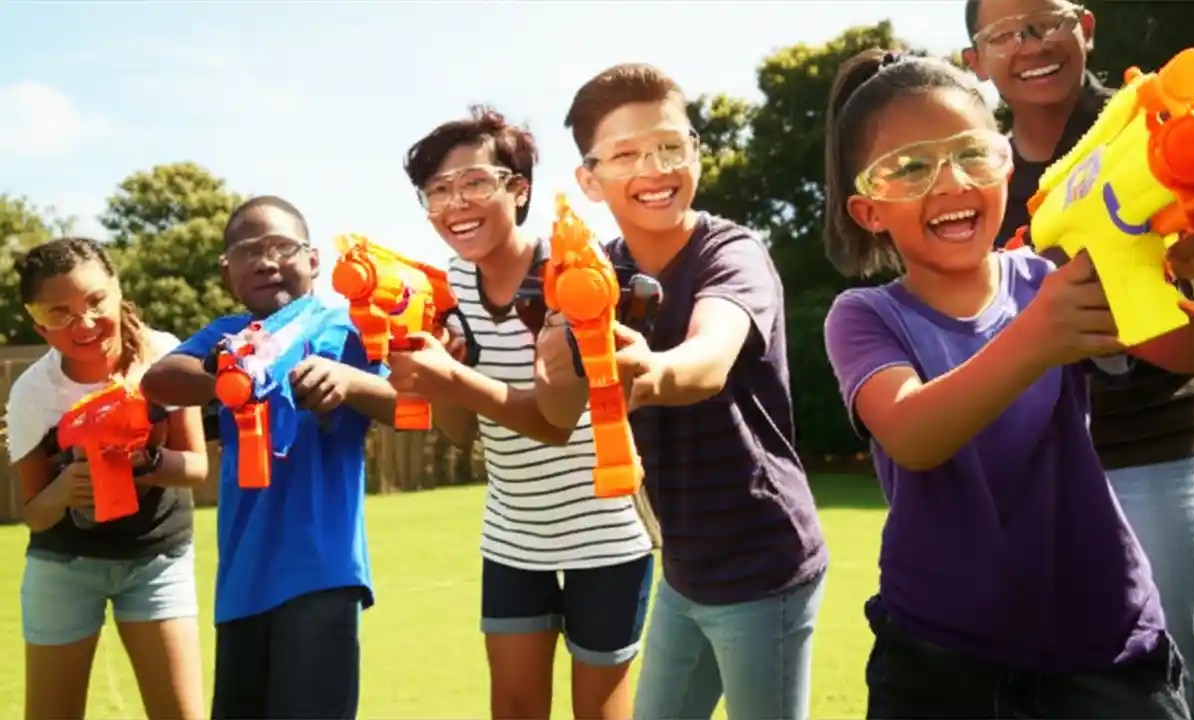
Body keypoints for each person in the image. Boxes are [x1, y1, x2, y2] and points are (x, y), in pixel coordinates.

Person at [822, 47, 1194, 718]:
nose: (950, 183)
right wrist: (1037, 336)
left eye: (972, 153)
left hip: (1100, 637)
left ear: (1004, 163)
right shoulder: (864, 316)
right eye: (908, 168)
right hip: (936, 651)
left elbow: (1191, 347)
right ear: (868, 210)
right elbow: (911, 432)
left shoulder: (1049, 276)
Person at [961, 3, 1194, 716]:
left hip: (1151, 459)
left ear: (1087, 27)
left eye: (1049, 21)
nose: (1031, 44)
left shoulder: (1151, 123)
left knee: (1162, 691)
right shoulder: (976, 168)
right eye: (1005, 34)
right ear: (975, 61)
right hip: (1023, 476)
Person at [534, 63, 828, 720]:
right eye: (626, 154)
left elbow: (709, 359)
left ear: (696, 151)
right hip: (685, 569)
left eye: (670, 146)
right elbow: (557, 412)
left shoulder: (732, 253)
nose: (655, 168)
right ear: (589, 179)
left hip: (763, 565)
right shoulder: (596, 271)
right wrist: (556, 360)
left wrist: (647, 371)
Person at [387, 106, 656, 720]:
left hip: (603, 531)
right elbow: (460, 433)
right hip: (513, 534)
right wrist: (442, 375)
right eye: (438, 190)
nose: (456, 203)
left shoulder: (570, 273)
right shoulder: (452, 286)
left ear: (519, 189)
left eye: (474, 182)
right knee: (512, 708)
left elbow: (556, 423)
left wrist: (455, 378)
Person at [139, 196, 399, 719]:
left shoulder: (345, 326)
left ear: (313, 260)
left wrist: (349, 382)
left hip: (321, 571)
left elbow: (412, 407)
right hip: (242, 577)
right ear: (227, 270)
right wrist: (231, 376)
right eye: (248, 251)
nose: (265, 261)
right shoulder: (228, 336)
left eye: (282, 247)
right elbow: (158, 380)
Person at [6, 237, 207, 720]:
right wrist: (63, 491)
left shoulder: (165, 357)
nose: (84, 323)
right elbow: (35, 515)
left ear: (118, 292)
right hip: (64, 567)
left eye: (96, 301)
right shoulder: (32, 392)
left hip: (157, 561)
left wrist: (144, 462)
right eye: (59, 313)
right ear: (38, 324)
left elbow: (197, 467)